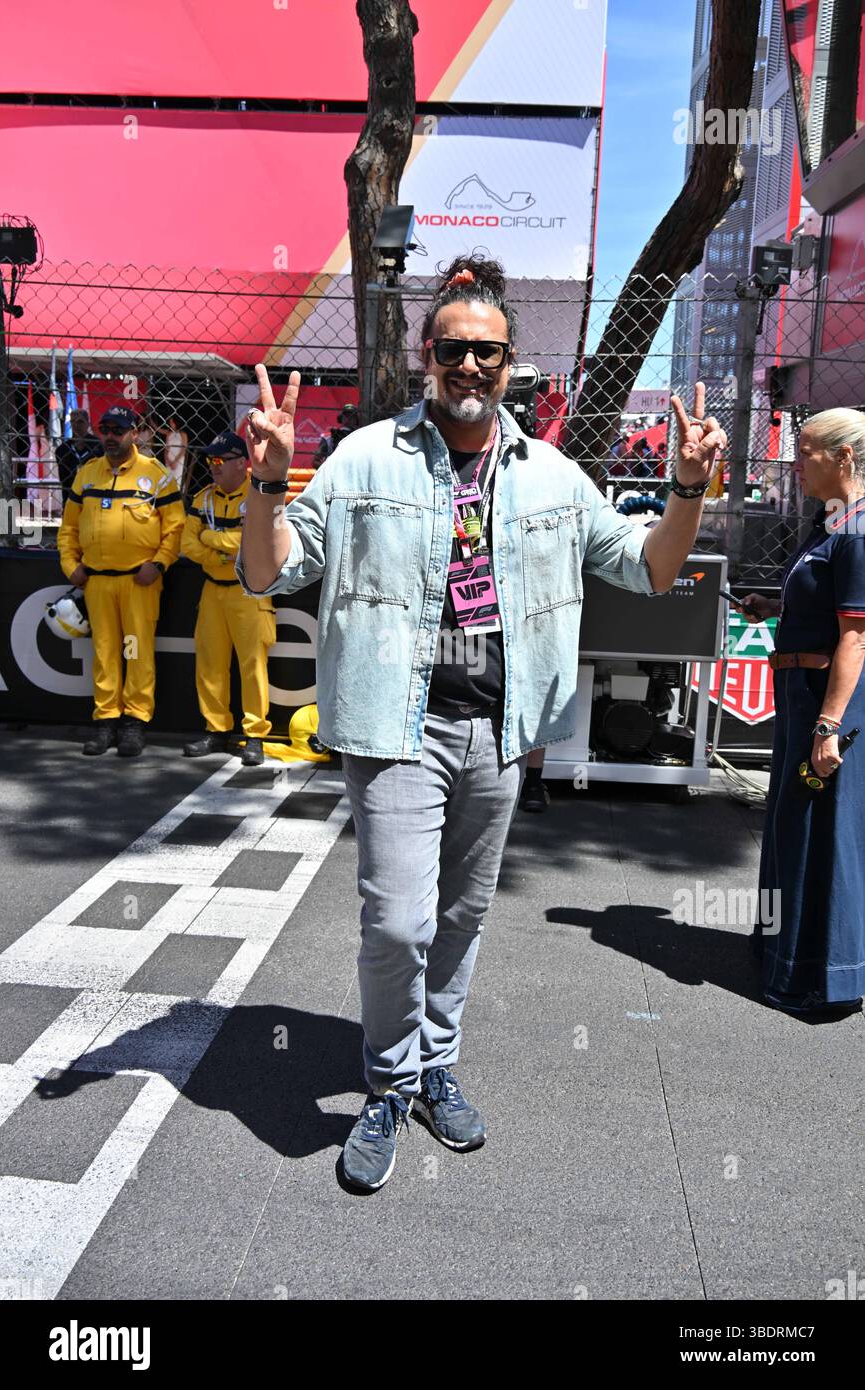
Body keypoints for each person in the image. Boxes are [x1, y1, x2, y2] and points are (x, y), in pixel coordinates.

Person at [237, 254, 726, 1192]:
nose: (471, 367)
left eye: (489, 353)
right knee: (397, 922)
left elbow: (651, 570)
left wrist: (688, 491)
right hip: (397, 726)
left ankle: (432, 1068)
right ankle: (386, 1082)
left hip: (502, 730)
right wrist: (264, 484)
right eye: (455, 349)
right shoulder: (365, 457)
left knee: (458, 918)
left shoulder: (554, 475)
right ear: (427, 356)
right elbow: (267, 572)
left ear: (512, 365)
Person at [744, 409, 865, 1018]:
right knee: (796, 824)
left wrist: (829, 725)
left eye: (807, 451)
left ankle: (820, 972)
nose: (796, 463)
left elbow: (857, 638)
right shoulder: (831, 524)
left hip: (825, 703)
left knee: (822, 828)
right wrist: (772, 603)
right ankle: (783, 956)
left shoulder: (858, 531)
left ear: (844, 457)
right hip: (801, 694)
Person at [58, 405, 185, 757]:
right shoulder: (86, 475)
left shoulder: (155, 474)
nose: (110, 436)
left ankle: (134, 722)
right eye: (106, 429)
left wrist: (158, 565)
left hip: (138, 583)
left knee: (135, 651)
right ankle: (106, 720)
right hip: (97, 583)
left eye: (118, 429)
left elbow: (175, 527)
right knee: (104, 654)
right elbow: (68, 529)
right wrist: (71, 566)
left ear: (133, 433)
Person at [181, 430, 275, 768]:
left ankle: (255, 736)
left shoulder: (259, 494)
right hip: (212, 591)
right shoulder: (202, 498)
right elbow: (188, 545)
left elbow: (257, 540)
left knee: (252, 665)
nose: (213, 466)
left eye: (220, 460)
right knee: (210, 663)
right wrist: (224, 550)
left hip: (249, 592)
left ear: (241, 463)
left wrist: (212, 539)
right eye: (210, 460)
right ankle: (216, 728)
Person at [56, 410, 101, 505]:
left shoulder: (99, 446)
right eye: (73, 421)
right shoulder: (62, 449)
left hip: (94, 497)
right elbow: (63, 478)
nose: (76, 425)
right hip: (70, 497)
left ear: (88, 424)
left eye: (80, 421)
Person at [161, 416, 188, 491]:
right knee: (168, 478)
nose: (170, 424)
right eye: (170, 422)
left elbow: (183, 450)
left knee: (178, 478)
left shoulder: (183, 434)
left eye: (172, 422)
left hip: (178, 460)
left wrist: (175, 461)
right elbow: (166, 449)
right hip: (169, 459)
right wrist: (167, 460)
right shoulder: (169, 434)